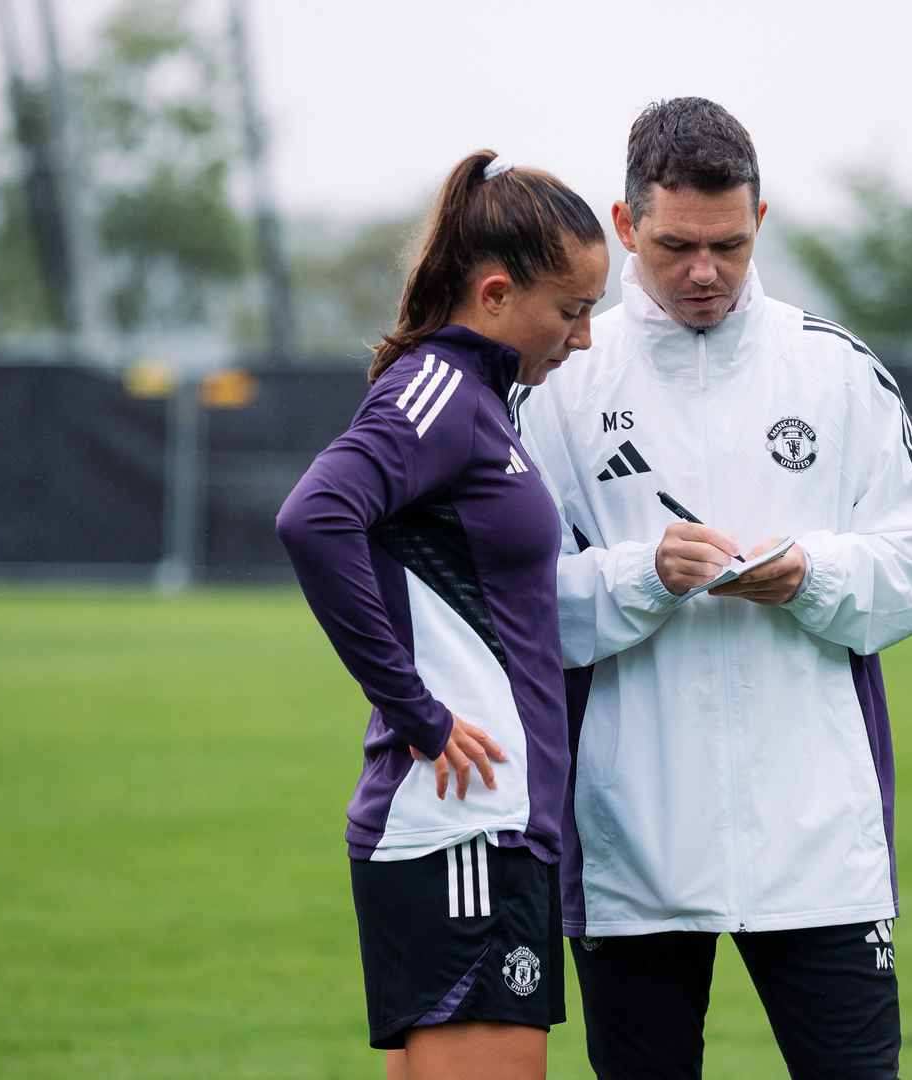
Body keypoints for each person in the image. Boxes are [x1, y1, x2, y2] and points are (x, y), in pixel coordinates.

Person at [511, 98, 912, 1077]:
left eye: (728, 243)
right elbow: (511, 604)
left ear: (761, 220)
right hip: (632, 841)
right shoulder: (558, 386)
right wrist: (643, 576)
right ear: (626, 227)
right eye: (675, 246)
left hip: (819, 846)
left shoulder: (835, 372)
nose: (704, 271)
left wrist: (810, 574)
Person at [276, 150, 607, 1080]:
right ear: (496, 294)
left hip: (496, 828)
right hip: (466, 827)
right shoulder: (442, 393)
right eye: (572, 311)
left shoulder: (486, 407)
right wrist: (417, 711)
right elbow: (315, 515)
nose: (582, 340)